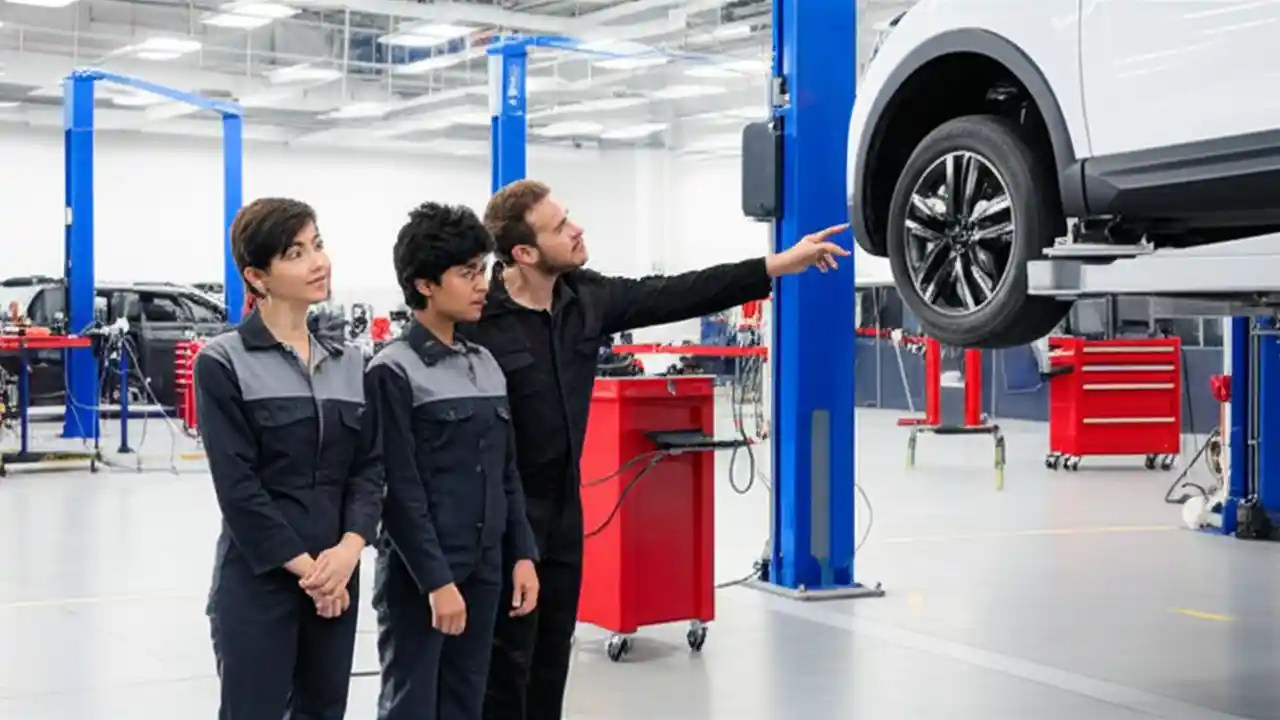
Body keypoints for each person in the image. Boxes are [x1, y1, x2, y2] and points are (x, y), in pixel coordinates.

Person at [465, 179, 850, 720]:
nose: (576, 230)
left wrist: (779, 264)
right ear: (524, 253)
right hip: (503, 518)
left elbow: (679, 291)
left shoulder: (586, 299)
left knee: (551, 663)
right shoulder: (480, 321)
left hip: (564, 515)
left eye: (568, 216)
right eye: (559, 227)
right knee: (502, 671)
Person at [195, 197, 384, 720]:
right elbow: (239, 491)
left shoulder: (351, 363)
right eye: (296, 253)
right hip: (261, 582)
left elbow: (369, 469)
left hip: (337, 577)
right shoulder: (223, 362)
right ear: (257, 276)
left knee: (324, 712)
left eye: (317, 245)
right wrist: (312, 573)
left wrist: (348, 551)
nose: (317, 261)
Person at [366, 201, 541, 720]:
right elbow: (398, 491)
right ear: (424, 284)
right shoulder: (392, 371)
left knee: (467, 702)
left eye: (482, 270)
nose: (481, 283)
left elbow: (507, 470)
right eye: (466, 274)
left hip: (485, 567)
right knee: (413, 705)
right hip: (420, 576)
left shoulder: (485, 364)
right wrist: (437, 583)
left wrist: (522, 554)